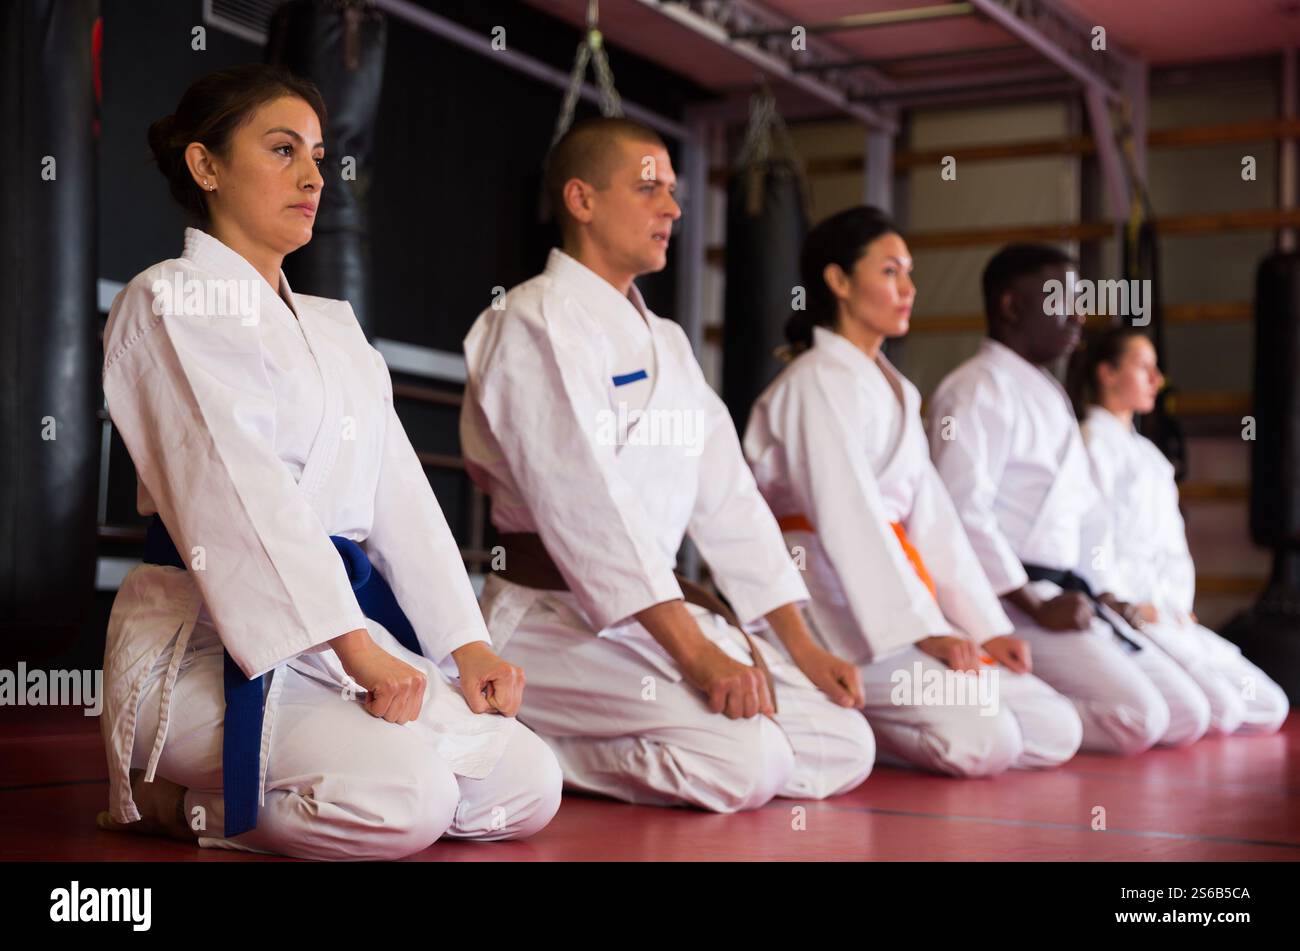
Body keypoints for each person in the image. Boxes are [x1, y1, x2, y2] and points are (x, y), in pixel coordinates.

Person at [97, 65, 561, 861]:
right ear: (206, 166)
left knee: (527, 780)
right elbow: (240, 497)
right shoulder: (169, 299)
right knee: (406, 799)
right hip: (204, 651)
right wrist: (355, 647)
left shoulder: (335, 329)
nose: (314, 174)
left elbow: (401, 499)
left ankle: (333, 770)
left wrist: (465, 643)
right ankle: (172, 802)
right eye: (282, 150)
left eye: (316, 152)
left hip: (346, 637)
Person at [460, 117, 875, 813]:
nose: (674, 210)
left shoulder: (670, 342)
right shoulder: (530, 320)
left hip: (649, 611)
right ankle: (541, 746)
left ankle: (572, 744)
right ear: (582, 200)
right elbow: (587, 505)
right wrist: (696, 654)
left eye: (675, 192)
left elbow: (731, 502)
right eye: (650, 188)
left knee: (845, 741)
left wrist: (800, 647)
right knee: (750, 758)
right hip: (551, 617)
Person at [744, 206, 1082, 778]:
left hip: (893, 596)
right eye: (891, 273)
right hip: (822, 600)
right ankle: (834, 703)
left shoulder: (896, 388)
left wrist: (983, 627)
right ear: (839, 281)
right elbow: (847, 515)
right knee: (988, 740)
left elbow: (935, 520)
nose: (908, 289)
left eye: (909, 275)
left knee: (1055, 728)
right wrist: (923, 630)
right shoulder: (812, 384)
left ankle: (881, 712)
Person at [926, 244, 1211, 755]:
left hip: (1062, 597)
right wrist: (1032, 601)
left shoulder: (1049, 397)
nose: (1079, 314)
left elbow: (1080, 523)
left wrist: (1102, 596)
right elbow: (957, 515)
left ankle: (1034, 705)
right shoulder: (974, 390)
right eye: (1063, 298)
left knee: (1186, 713)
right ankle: (982, 714)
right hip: (1002, 602)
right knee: (1138, 718)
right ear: (1012, 307)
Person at [1070, 325, 1288, 735]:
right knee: (1221, 710)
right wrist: (1125, 602)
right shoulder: (1089, 443)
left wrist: (1174, 603)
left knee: (1269, 707)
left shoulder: (1150, 457)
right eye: (1144, 368)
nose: (1157, 380)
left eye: (1157, 370)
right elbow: (1089, 540)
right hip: (1126, 613)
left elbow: (1173, 547)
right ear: (1107, 373)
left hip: (1167, 614)